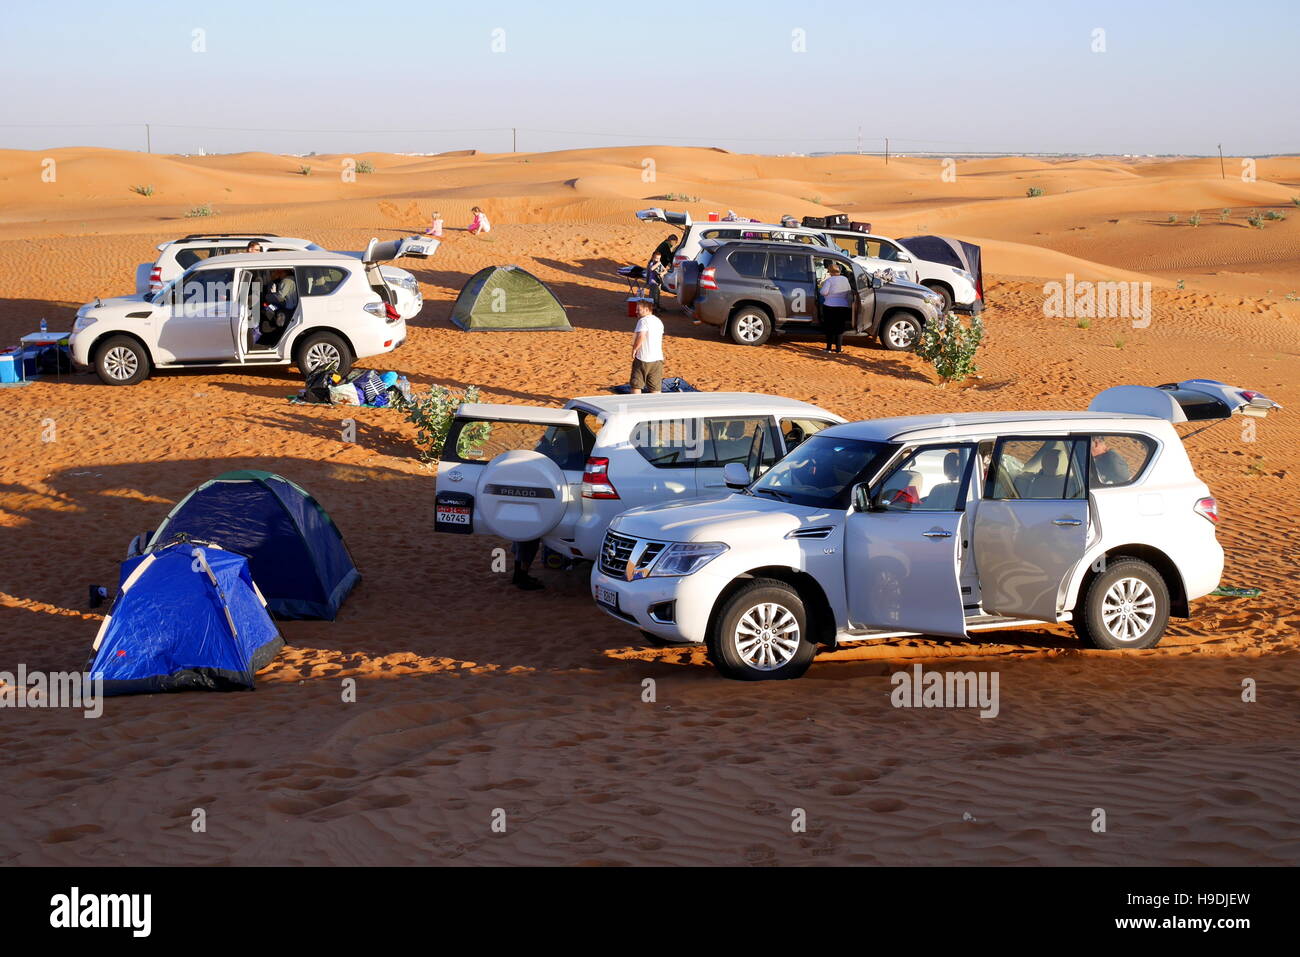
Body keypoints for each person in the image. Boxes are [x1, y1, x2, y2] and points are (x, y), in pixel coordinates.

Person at [629, 299, 664, 394]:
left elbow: (641, 336)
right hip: (657, 359)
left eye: (638, 309)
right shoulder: (658, 321)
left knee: (636, 385)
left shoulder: (643, 321)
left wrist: (634, 349)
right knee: (655, 388)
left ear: (647, 309)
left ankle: (635, 406)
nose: (636, 312)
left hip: (643, 358)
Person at [818, 262, 852, 353]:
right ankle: (838, 348)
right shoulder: (845, 279)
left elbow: (823, 292)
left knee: (830, 327)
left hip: (830, 306)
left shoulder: (829, 280)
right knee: (839, 328)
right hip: (843, 306)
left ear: (830, 272)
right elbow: (849, 292)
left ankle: (828, 348)